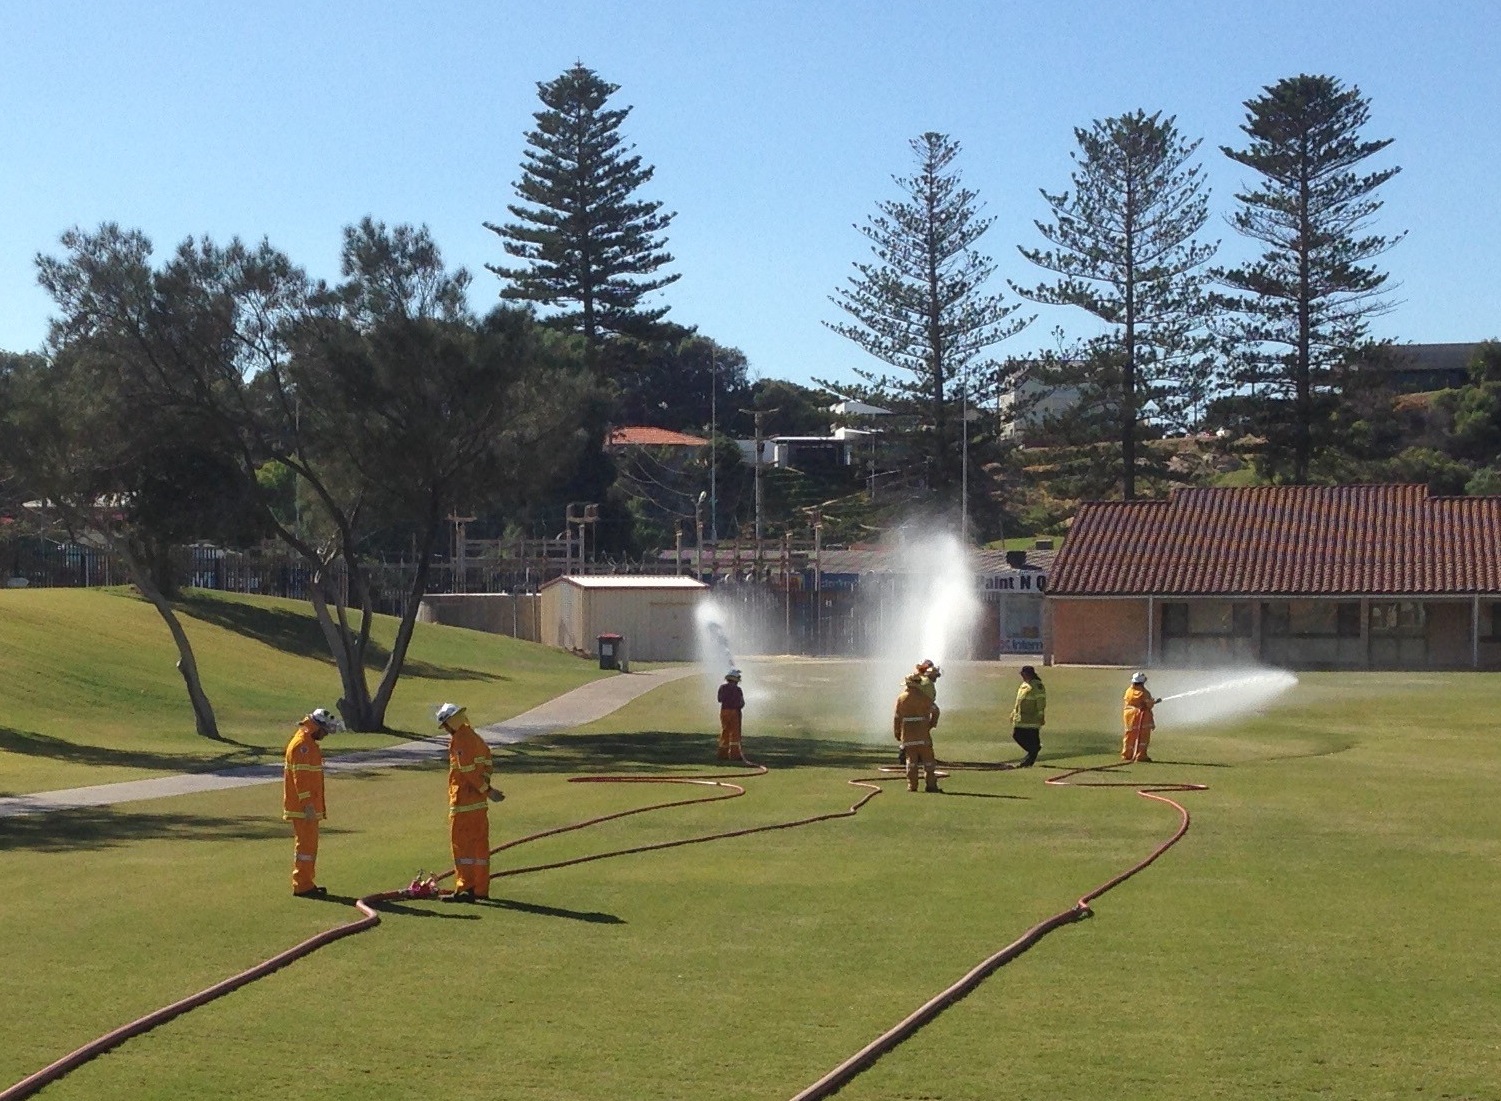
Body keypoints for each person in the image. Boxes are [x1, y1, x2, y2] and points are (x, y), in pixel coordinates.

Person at [436, 702, 504, 902]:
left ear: (451, 723)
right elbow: (487, 765)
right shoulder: (475, 738)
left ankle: (465, 887)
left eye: (446, 725)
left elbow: (467, 772)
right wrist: (485, 788)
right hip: (478, 805)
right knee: (480, 847)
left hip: (463, 802)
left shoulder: (460, 740)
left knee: (462, 847)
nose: (446, 730)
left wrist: (487, 790)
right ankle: (480, 889)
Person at [282, 707, 337, 897]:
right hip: (304, 808)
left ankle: (306, 883)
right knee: (305, 848)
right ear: (316, 727)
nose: (325, 735)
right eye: (324, 731)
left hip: (307, 806)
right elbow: (301, 778)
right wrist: (308, 804)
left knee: (309, 847)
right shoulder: (302, 746)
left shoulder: (307, 743)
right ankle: (302, 885)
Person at [894, 672, 941, 792]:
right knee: (928, 761)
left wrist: (897, 732)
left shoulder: (901, 698)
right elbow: (935, 711)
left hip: (908, 736)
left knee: (911, 761)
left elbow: (897, 717)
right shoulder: (924, 698)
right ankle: (931, 785)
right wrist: (931, 724)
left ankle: (912, 786)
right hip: (923, 735)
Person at [1010, 665, 1047, 767]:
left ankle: (1030, 757)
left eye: (1023, 674)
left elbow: (1041, 701)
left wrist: (1041, 715)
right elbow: (1019, 701)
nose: (1022, 676)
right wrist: (1013, 713)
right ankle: (1032, 753)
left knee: (1029, 738)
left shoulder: (1037, 686)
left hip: (1032, 718)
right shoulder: (1024, 685)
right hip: (1021, 718)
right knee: (1017, 735)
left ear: (1028, 674)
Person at [1122, 672, 1160, 762]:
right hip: (1141, 717)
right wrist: (1154, 702)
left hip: (1129, 716)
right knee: (1143, 737)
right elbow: (1148, 705)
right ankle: (1140, 755)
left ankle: (1127, 754)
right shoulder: (1144, 693)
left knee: (1129, 736)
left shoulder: (1128, 691)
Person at [717, 669, 745, 760]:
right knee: (735, 732)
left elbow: (719, 699)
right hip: (734, 712)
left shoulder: (722, 687)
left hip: (724, 711)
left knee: (725, 731)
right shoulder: (738, 689)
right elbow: (741, 702)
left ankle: (722, 753)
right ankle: (734, 754)